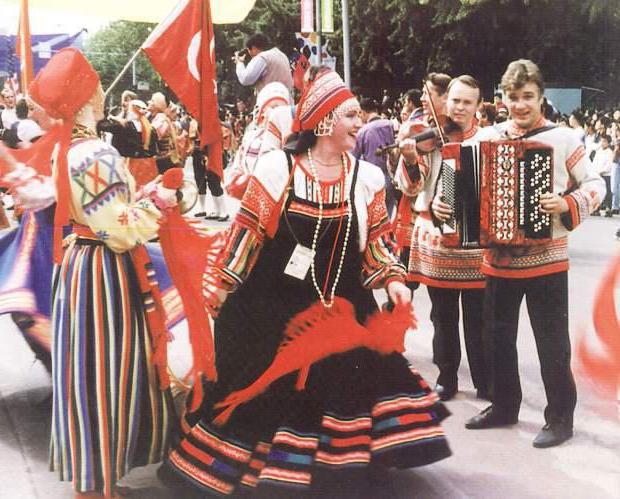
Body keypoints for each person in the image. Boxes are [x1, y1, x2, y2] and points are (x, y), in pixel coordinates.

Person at [159, 69, 451, 496]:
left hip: (343, 302)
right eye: (351, 115)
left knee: (351, 383)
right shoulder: (278, 168)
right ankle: (278, 471)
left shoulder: (365, 178)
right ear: (324, 120)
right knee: (264, 389)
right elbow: (248, 233)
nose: (359, 123)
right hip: (275, 305)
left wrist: (392, 280)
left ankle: (335, 472)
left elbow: (376, 243)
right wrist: (221, 286)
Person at [0, 48, 177, 497]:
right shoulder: (95, 152)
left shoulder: (67, 148)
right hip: (104, 271)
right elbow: (119, 229)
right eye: (95, 86)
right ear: (85, 96)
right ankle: (95, 488)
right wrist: (158, 205)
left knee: (86, 372)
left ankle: (93, 481)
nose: (102, 92)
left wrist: (141, 199)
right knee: (105, 372)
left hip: (81, 265)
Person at [465, 59, 605, 449]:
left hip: (547, 259)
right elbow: (457, 182)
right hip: (497, 260)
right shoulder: (485, 139)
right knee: (497, 338)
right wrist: (449, 205)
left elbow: (596, 186)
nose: (520, 104)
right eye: (513, 97)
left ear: (541, 97)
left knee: (551, 343)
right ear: (503, 98)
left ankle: (560, 418)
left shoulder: (563, 140)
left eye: (528, 97)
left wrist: (566, 203)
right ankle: (504, 406)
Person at [396, 75, 498, 401]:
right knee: (442, 316)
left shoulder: (489, 139)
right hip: (437, 242)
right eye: (455, 100)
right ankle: (447, 377)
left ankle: (484, 379)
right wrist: (411, 161)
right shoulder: (427, 141)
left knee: (479, 316)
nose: (460, 108)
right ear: (446, 101)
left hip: (476, 246)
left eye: (467, 102)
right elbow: (412, 188)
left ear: (478, 106)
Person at [392, 73, 451, 299]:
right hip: (426, 225)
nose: (423, 99)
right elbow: (412, 187)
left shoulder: (467, 131)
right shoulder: (421, 131)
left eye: (428, 94)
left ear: (445, 97)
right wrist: (408, 159)